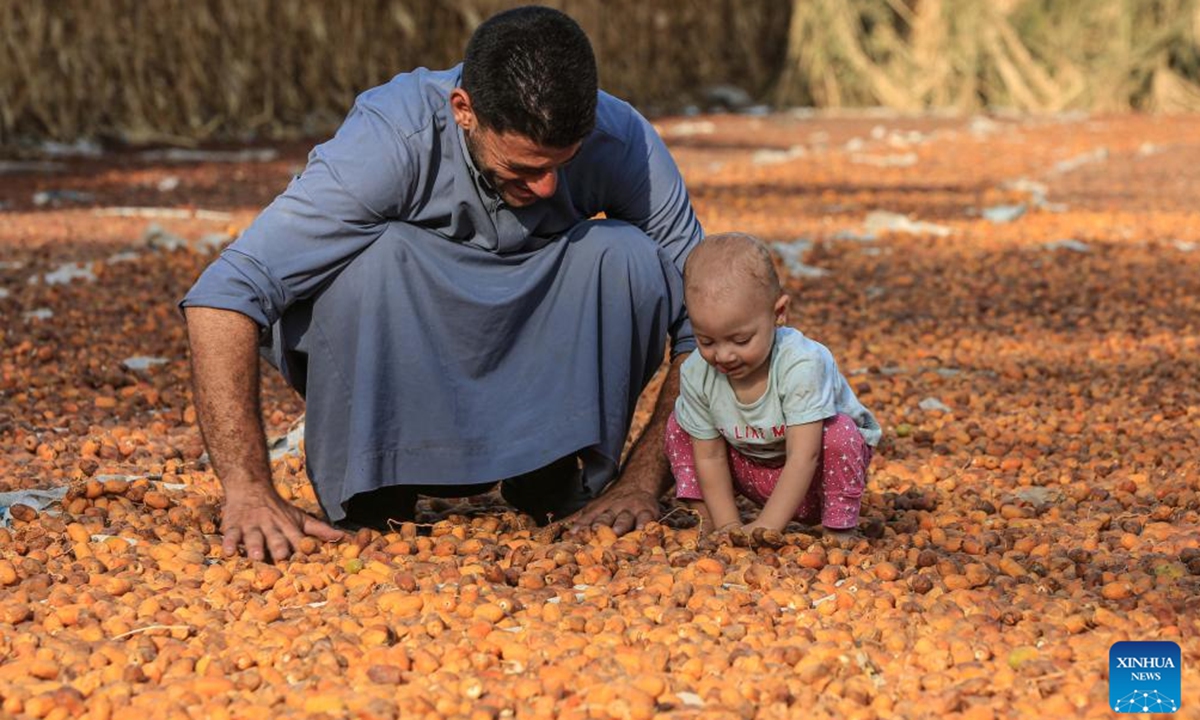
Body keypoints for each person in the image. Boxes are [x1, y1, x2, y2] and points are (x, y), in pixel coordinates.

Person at [180, 6, 704, 561]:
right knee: (370, 259)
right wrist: (248, 489)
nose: (548, 188)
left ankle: (549, 471)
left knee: (627, 256)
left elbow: (706, 321)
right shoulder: (390, 136)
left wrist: (641, 482)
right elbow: (224, 297)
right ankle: (382, 485)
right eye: (524, 169)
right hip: (415, 332)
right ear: (463, 111)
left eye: (562, 164)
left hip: (535, 319)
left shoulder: (622, 136)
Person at [664, 233, 880, 537]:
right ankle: (710, 520)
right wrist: (730, 527)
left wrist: (768, 526)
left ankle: (838, 528)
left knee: (839, 432)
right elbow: (709, 456)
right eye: (706, 341)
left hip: (816, 478)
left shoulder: (801, 363)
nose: (723, 355)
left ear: (778, 314)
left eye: (741, 340)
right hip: (751, 469)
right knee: (679, 425)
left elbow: (805, 455)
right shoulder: (697, 372)